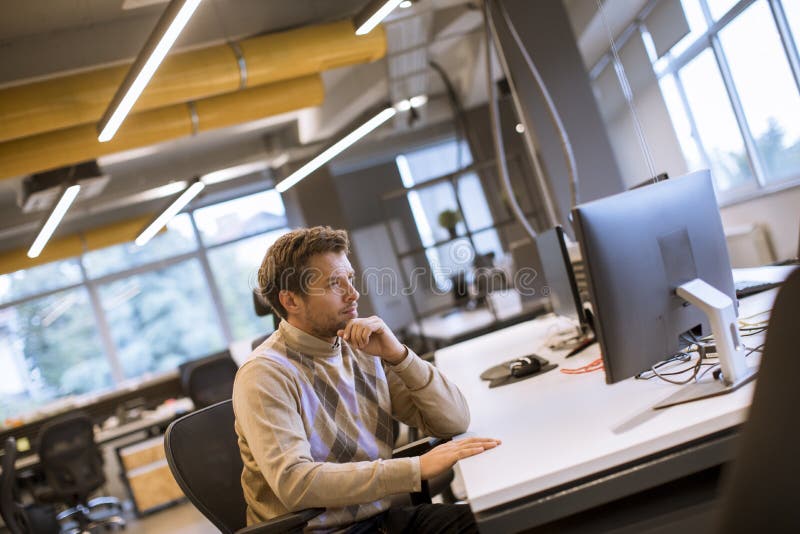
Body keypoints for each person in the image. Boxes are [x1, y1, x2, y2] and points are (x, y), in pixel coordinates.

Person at [233, 226, 500, 533]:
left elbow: (454, 421)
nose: (353, 293)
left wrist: (399, 355)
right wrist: (415, 469)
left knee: (497, 521)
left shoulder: (360, 347)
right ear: (291, 301)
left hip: (377, 522)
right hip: (320, 532)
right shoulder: (264, 375)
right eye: (335, 283)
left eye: (351, 279)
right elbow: (295, 483)